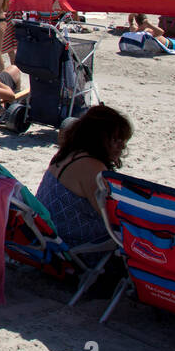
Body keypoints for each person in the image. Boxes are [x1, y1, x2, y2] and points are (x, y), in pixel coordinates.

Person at [35, 105, 132, 247]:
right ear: (99, 138)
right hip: (73, 249)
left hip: (48, 237)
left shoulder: (69, 154)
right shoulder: (91, 167)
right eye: (116, 140)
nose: (122, 146)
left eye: (123, 140)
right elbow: (113, 219)